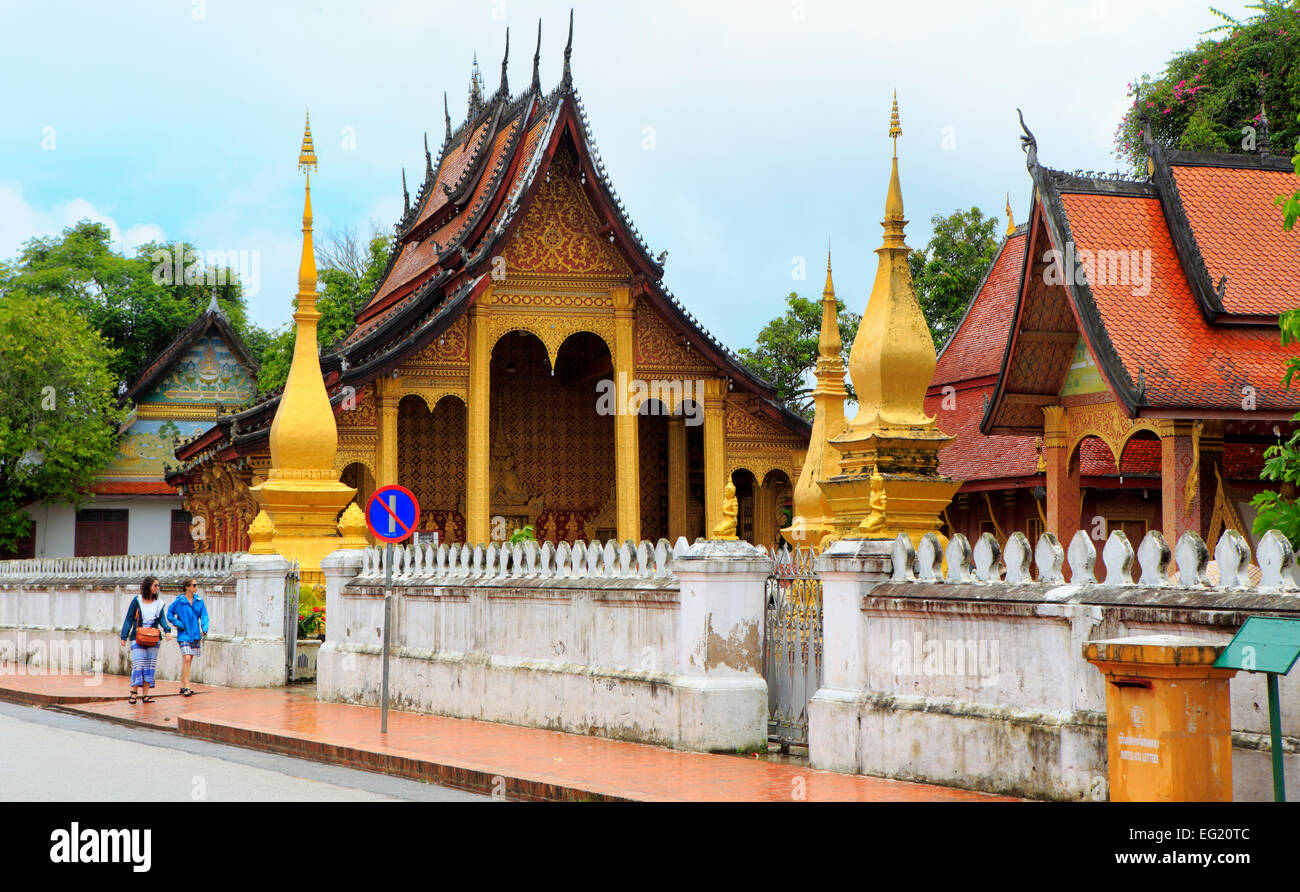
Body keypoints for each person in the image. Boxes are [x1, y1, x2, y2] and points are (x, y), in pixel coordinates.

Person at [120, 576, 172, 704]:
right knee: (138, 665)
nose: (157, 588)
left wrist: (167, 631)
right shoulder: (137, 601)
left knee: (150, 666)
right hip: (138, 637)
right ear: (148, 586)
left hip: (153, 638)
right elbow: (129, 619)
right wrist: (124, 636)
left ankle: (146, 695)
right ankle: (133, 693)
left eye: (158, 585)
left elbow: (162, 619)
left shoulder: (158, 602)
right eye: (155, 585)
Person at [166, 576, 208, 696]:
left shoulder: (199, 601)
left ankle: (184, 684)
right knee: (187, 658)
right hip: (184, 634)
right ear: (187, 587)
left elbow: (204, 616)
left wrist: (204, 628)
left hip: (195, 634)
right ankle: (186, 687)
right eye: (194, 585)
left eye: (196, 585)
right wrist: (179, 624)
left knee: (189, 661)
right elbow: (169, 614)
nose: (196, 587)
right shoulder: (179, 601)